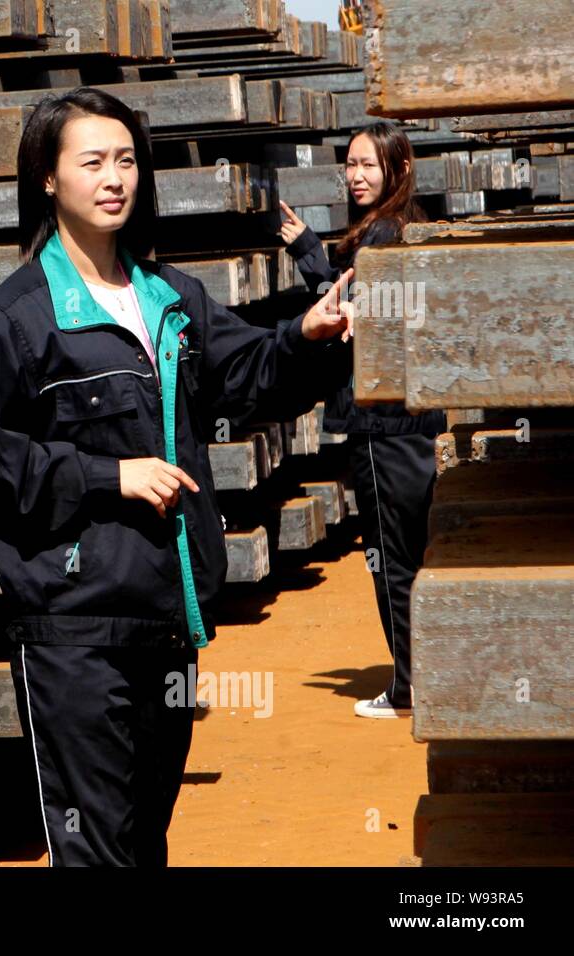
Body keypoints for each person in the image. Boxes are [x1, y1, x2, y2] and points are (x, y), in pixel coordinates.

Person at [0, 87, 356, 867]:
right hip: (75, 632)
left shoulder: (169, 298)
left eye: (128, 160)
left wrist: (307, 334)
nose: (115, 179)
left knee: (143, 845)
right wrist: (108, 475)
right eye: (93, 161)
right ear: (47, 178)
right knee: (99, 852)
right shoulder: (18, 318)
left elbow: (250, 375)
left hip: (166, 621)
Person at [278, 121, 445, 720]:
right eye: (350, 164)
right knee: (415, 553)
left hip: (382, 423)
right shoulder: (409, 226)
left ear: (397, 170)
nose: (355, 175)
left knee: (392, 559)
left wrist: (307, 258)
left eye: (368, 165)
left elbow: (351, 315)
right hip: (416, 418)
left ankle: (408, 689)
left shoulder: (380, 235)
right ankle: (426, 675)